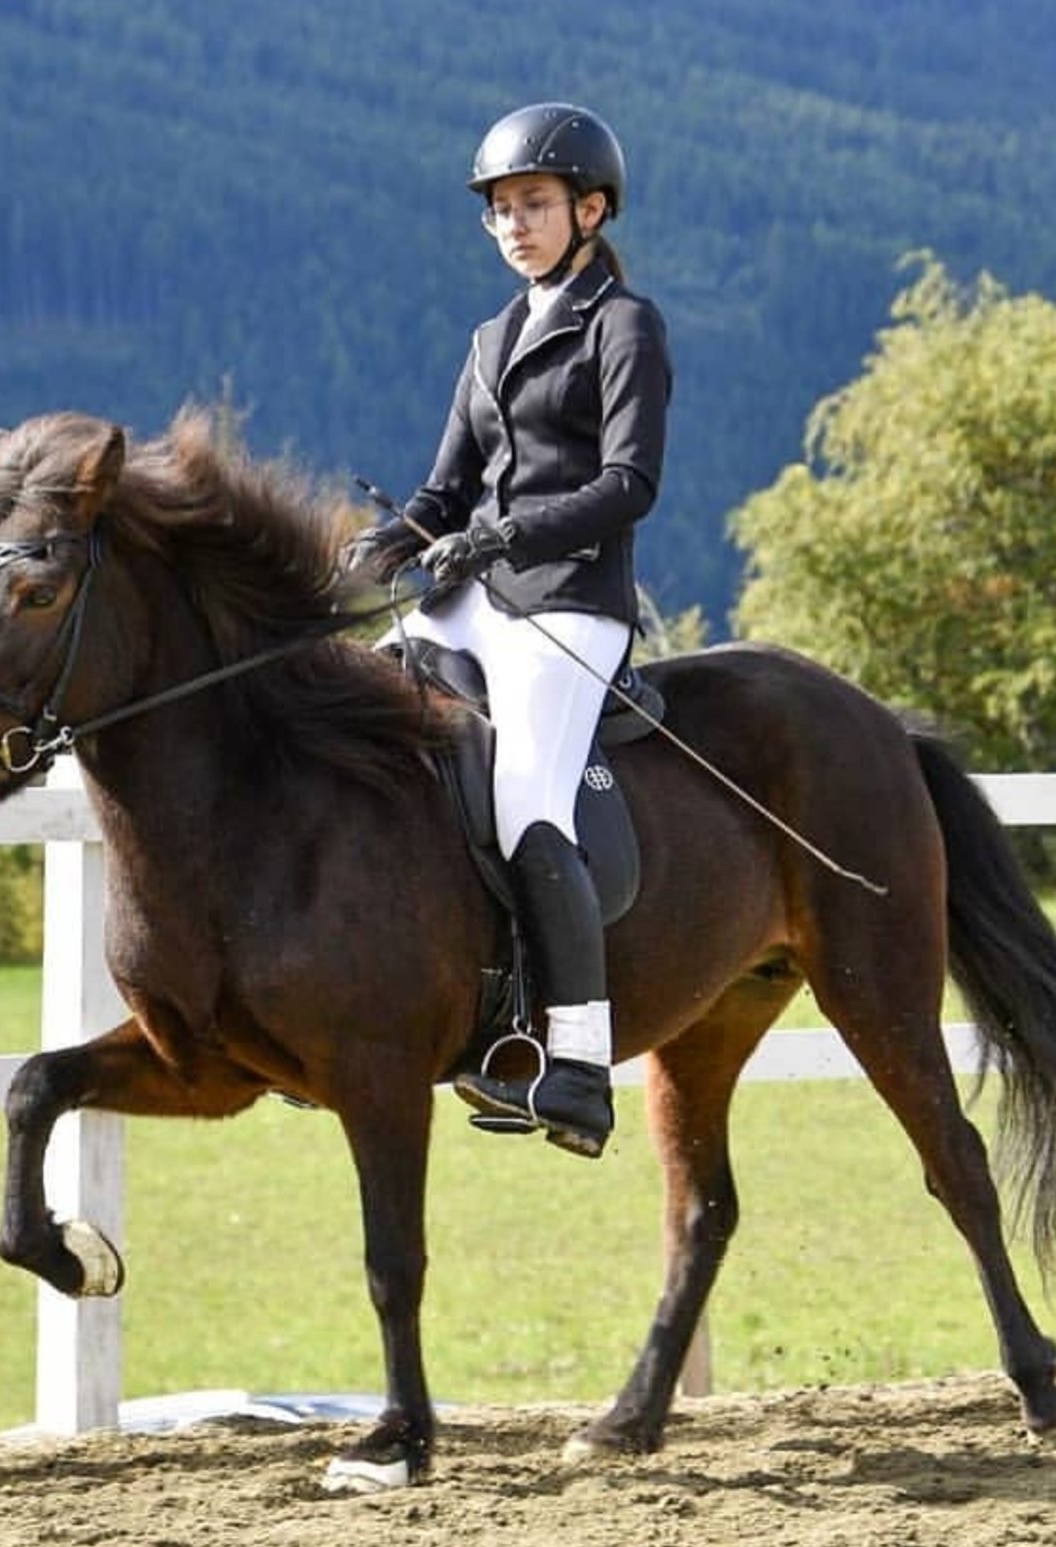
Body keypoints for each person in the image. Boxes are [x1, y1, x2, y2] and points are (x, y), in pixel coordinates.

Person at [344, 102, 672, 1159]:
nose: (513, 225)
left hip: (568, 603)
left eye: (533, 204)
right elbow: (445, 490)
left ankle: (575, 1062)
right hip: (471, 601)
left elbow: (629, 483)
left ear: (590, 210)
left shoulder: (623, 326)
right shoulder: (490, 340)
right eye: (500, 210)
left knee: (528, 800)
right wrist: (384, 545)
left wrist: (504, 535)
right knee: (354, 733)